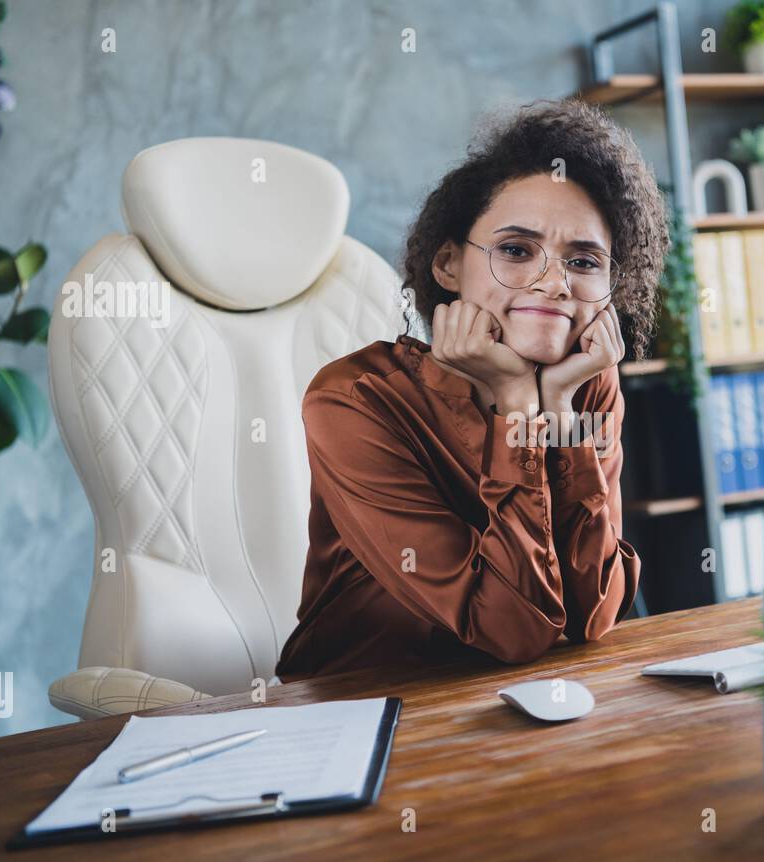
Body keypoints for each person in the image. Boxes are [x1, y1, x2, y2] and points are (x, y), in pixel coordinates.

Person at [274, 98, 669, 680]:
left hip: (522, 702)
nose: (553, 282)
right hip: (371, 710)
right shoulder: (353, 400)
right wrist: (516, 403)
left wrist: (555, 407)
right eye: (515, 250)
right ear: (448, 264)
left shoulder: (585, 384)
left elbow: (596, 611)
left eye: (584, 261)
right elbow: (513, 628)